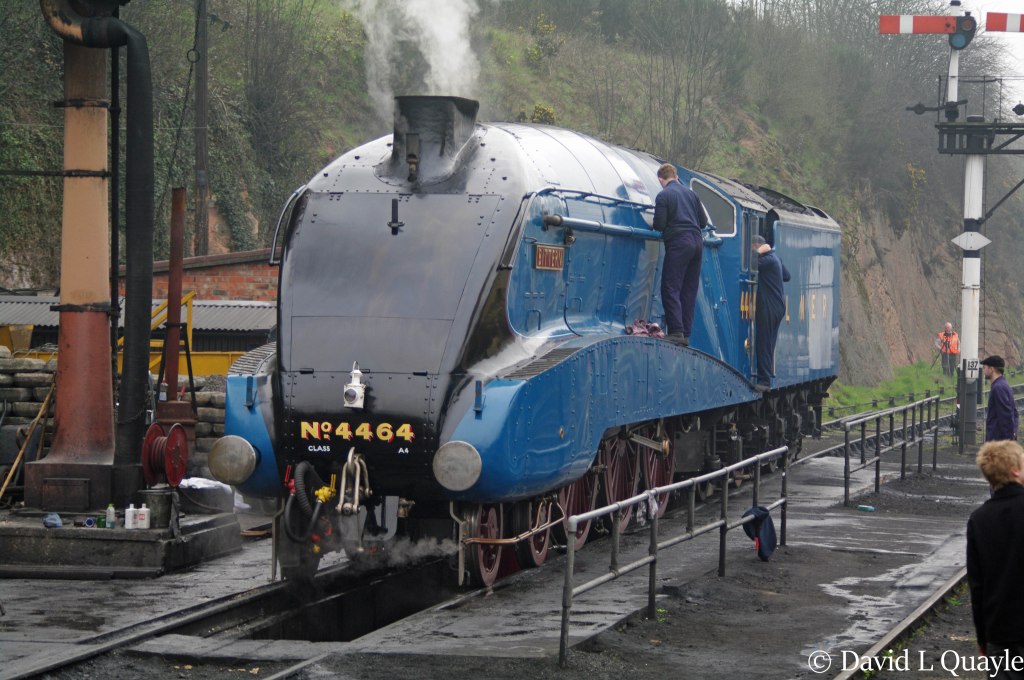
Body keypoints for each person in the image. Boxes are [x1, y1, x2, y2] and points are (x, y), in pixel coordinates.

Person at [966, 440, 1024, 676]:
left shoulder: (979, 519)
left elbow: (977, 586)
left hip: (1000, 630)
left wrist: (983, 638)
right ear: (1015, 470)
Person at [652, 163, 707, 347]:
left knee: (670, 286)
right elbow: (704, 222)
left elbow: (659, 224)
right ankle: (685, 332)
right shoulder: (692, 194)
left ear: (661, 180)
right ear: (675, 176)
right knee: (689, 289)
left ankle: (676, 331)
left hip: (679, 243)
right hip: (697, 243)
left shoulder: (664, 195)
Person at [752, 234, 790, 391]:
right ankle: (765, 378)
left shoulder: (766, 260)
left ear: (757, 246)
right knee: (769, 342)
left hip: (769, 306)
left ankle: (764, 381)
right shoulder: (775, 258)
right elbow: (787, 276)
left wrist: (759, 253)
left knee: (764, 342)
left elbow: (750, 264)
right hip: (778, 306)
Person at [981, 355, 1018, 442]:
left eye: (984, 367)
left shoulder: (998, 387)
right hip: (999, 439)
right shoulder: (1003, 384)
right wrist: (1013, 432)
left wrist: (1008, 440)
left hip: (998, 440)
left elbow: (1006, 415)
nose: (983, 370)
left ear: (991, 369)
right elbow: (1015, 413)